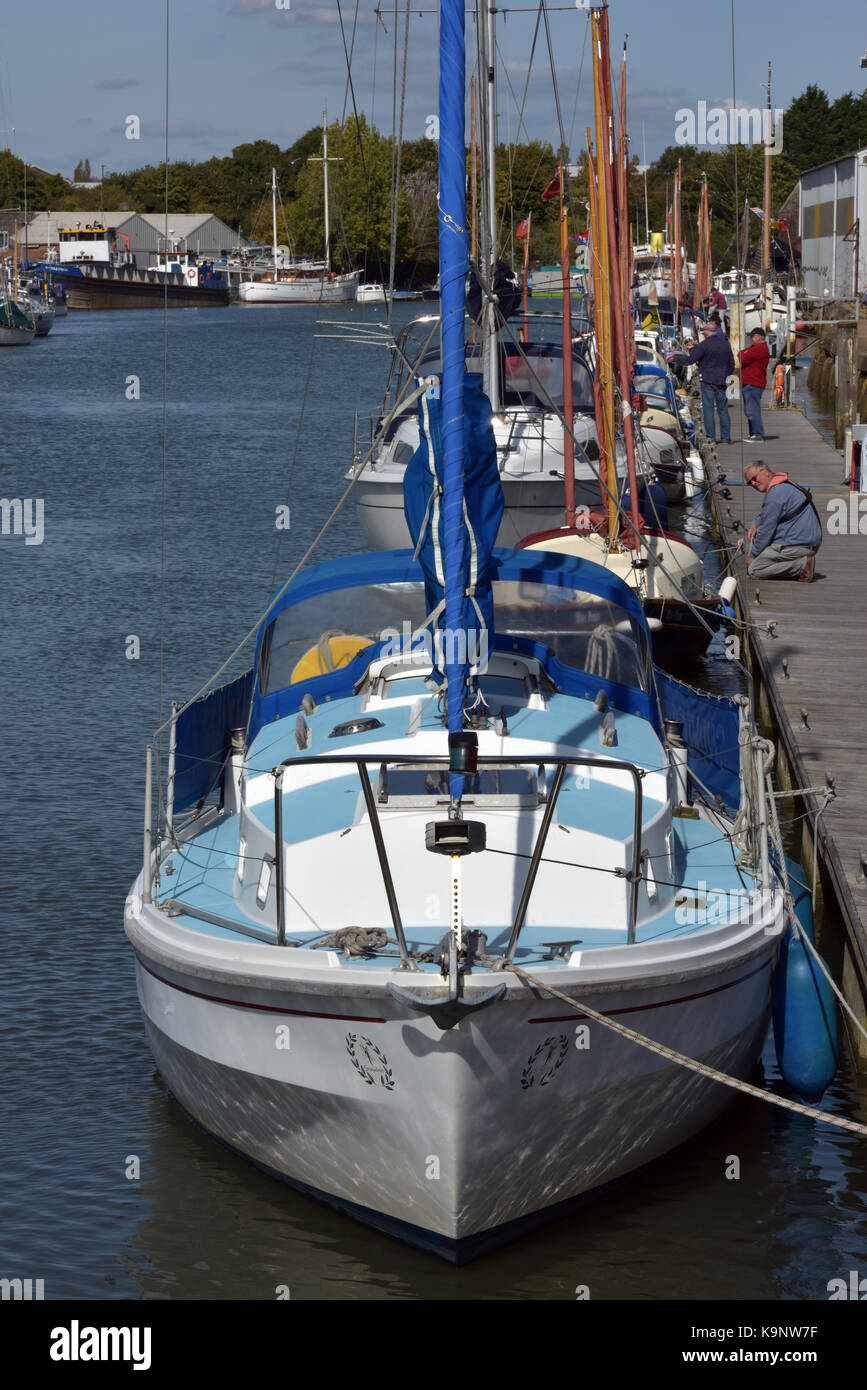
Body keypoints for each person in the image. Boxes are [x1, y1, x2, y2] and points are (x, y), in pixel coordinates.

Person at [744, 461, 822, 582]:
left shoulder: (774, 494)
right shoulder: (784, 483)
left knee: (754, 569)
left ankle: (802, 565)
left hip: (799, 545)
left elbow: (766, 531)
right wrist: (755, 522)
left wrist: (752, 556)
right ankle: (800, 562)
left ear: (765, 472)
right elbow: (769, 513)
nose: (753, 483)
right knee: (759, 544)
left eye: (754, 478)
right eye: (750, 482)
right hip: (809, 542)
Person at [672, 318, 735, 444]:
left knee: (708, 409)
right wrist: (726, 375)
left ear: (707, 333)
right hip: (722, 380)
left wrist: (674, 359)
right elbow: (731, 363)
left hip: (707, 379)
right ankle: (726, 437)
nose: (703, 334)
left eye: (704, 332)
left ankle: (711, 438)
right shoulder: (725, 344)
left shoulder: (704, 345)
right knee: (723, 409)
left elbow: (691, 360)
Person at [738, 328, 771, 441]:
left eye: (754, 336)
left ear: (761, 337)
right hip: (750, 382)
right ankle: (753, 432)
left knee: (753, 409)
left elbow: (742, 356)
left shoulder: (760, 348)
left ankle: (757, 433)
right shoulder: (756, 348)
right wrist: (744, 353)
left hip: (754, 382)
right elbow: (742, 354)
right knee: (749, 410)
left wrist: (744, 353)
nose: (752, 338)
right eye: (751, 336)